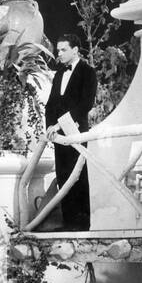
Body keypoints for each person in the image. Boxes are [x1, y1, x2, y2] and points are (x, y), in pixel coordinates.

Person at [44, 33, 97, 231]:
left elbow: (86, 104)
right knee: (63, 173)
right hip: (58, 134)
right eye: (58, 50)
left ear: (75, 50)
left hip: (77, 130)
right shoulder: (59, 73)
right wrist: (50, 128)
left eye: (64, 49)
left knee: (78, 174)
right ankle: (68, 222)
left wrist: (60, 124)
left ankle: (82, 223)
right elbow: (50, 104)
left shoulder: (87, 72)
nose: (60, 53)